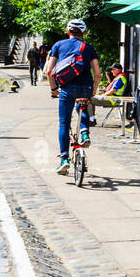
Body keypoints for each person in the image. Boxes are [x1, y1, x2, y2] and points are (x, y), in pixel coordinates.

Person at [45, 19, 100, 175]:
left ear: (68, 31)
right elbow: (97, 74)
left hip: (67, 88)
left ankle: (64, 160)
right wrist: (94, 91)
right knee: (82, 106)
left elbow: (49, 71)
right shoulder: (88, 48)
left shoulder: (58, 45)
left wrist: (54, 88)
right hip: (86, 86)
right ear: (83, 33)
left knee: (64, 123)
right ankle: (84, 132)